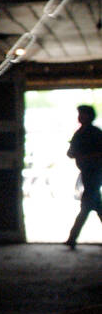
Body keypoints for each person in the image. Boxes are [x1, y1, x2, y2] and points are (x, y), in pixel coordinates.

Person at [66, 104, 102, 249]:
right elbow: (70, 153)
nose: (80, 117)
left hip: (94, 172)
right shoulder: (81, 133)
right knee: (95, 204)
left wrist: (86, 156)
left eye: (82, 114)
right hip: (88, 173)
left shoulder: (94, 133)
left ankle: (72, 238)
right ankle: (72, 238)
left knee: (87, 205)